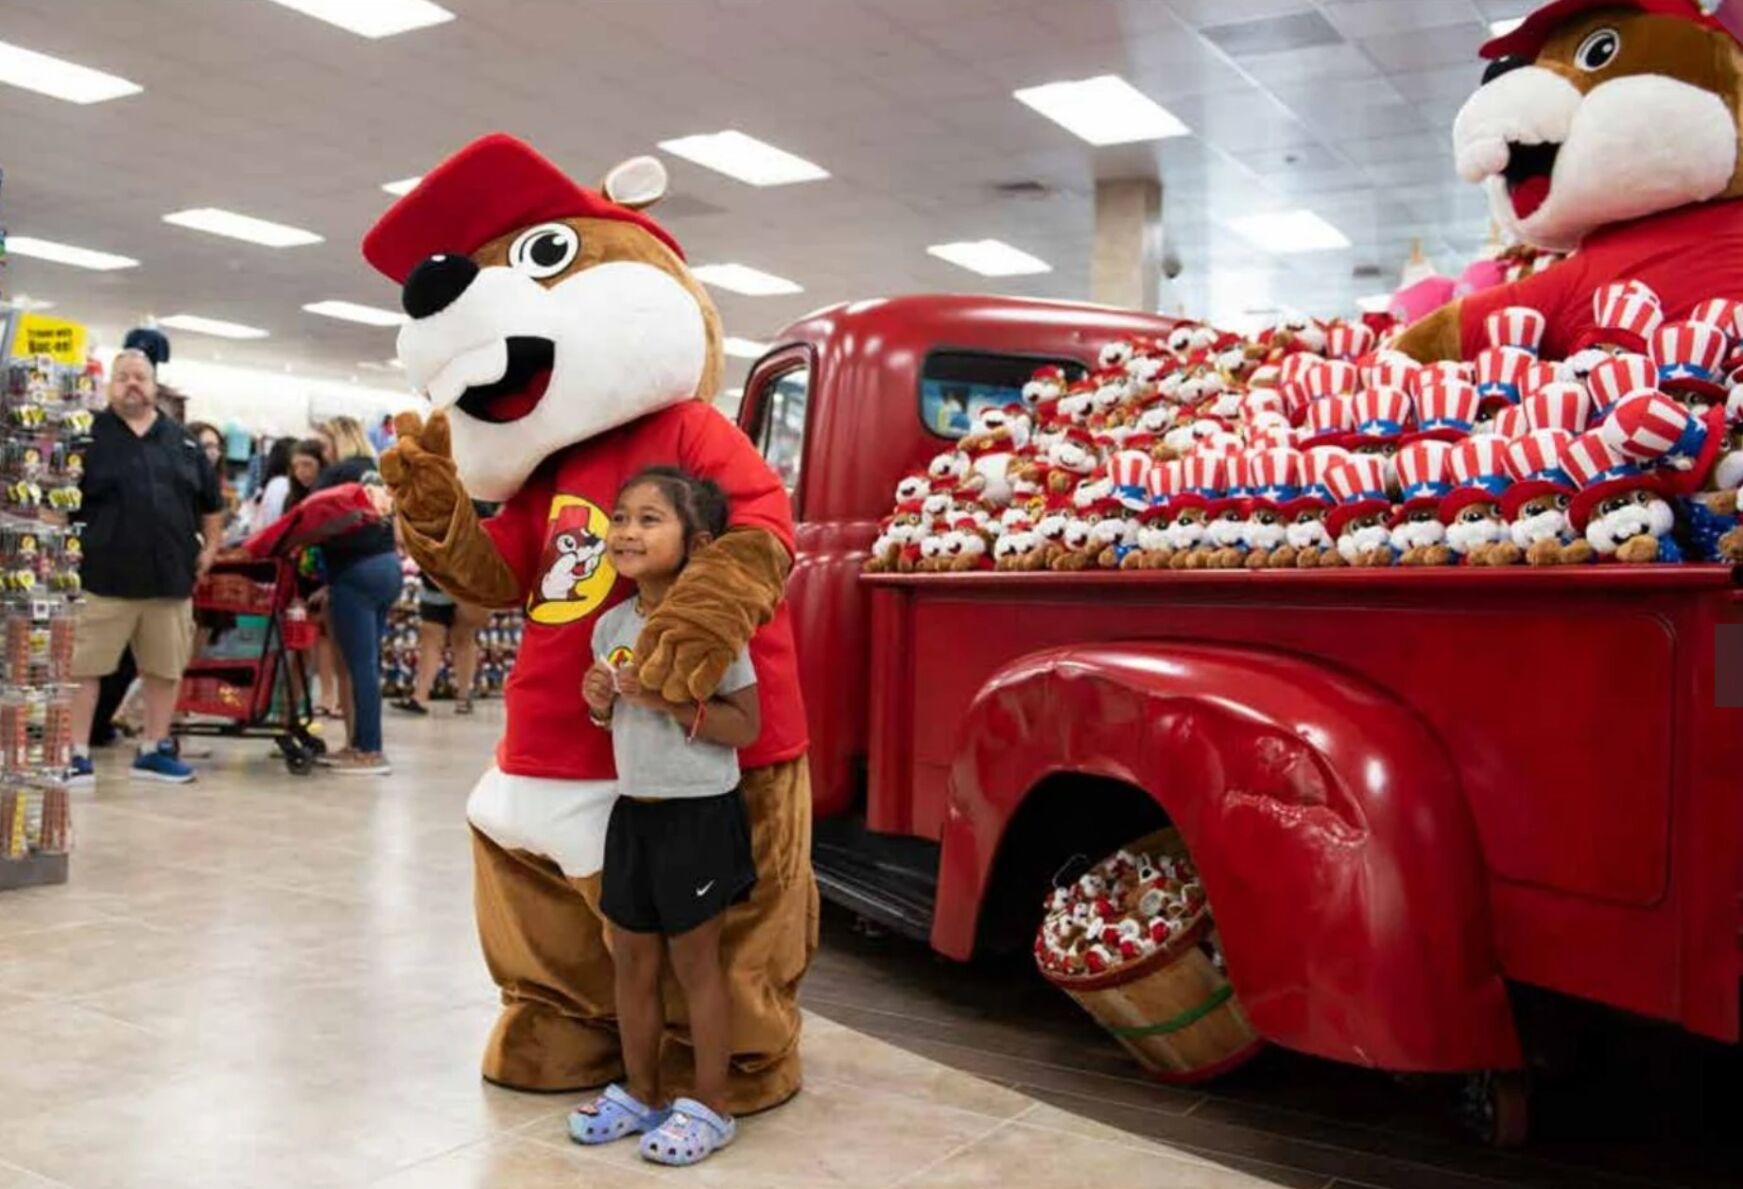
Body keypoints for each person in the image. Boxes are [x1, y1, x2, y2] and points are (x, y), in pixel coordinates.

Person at [570, 467, 760, 1168]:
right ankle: (642, 1090)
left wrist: (669, 702)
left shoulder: (711, 627)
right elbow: (609, 722)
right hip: (633, 815)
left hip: (699, 817)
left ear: (698, 542)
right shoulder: (611, 625)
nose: (626, 531)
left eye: (650, 519)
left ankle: (711, 1104)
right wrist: (599, 701)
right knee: (631, 961)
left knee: (697, 965)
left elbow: (746, 724)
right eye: (620, 517)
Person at [68, 349, 223, 784]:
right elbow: (56, 506)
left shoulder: (185, 444)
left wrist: (210, 548)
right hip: (102, 578)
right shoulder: (86, 438)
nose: (132, 384)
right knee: (84, 669)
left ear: (154, 385)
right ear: (109, 386)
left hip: (169, 582)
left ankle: (154, 749)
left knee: (164, 670)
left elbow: (211, 506)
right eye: (123, 377)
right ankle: (75, 752)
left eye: (140, 376)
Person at [311, 417, 399, 775]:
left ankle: (369, 749)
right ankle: (358, 743)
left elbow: (311, 519)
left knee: (357, 664)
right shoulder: (376, 471)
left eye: (326, 444)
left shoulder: (337, 474)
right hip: (387, 567)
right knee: (366, 664)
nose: (323, 452)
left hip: (355, 572)